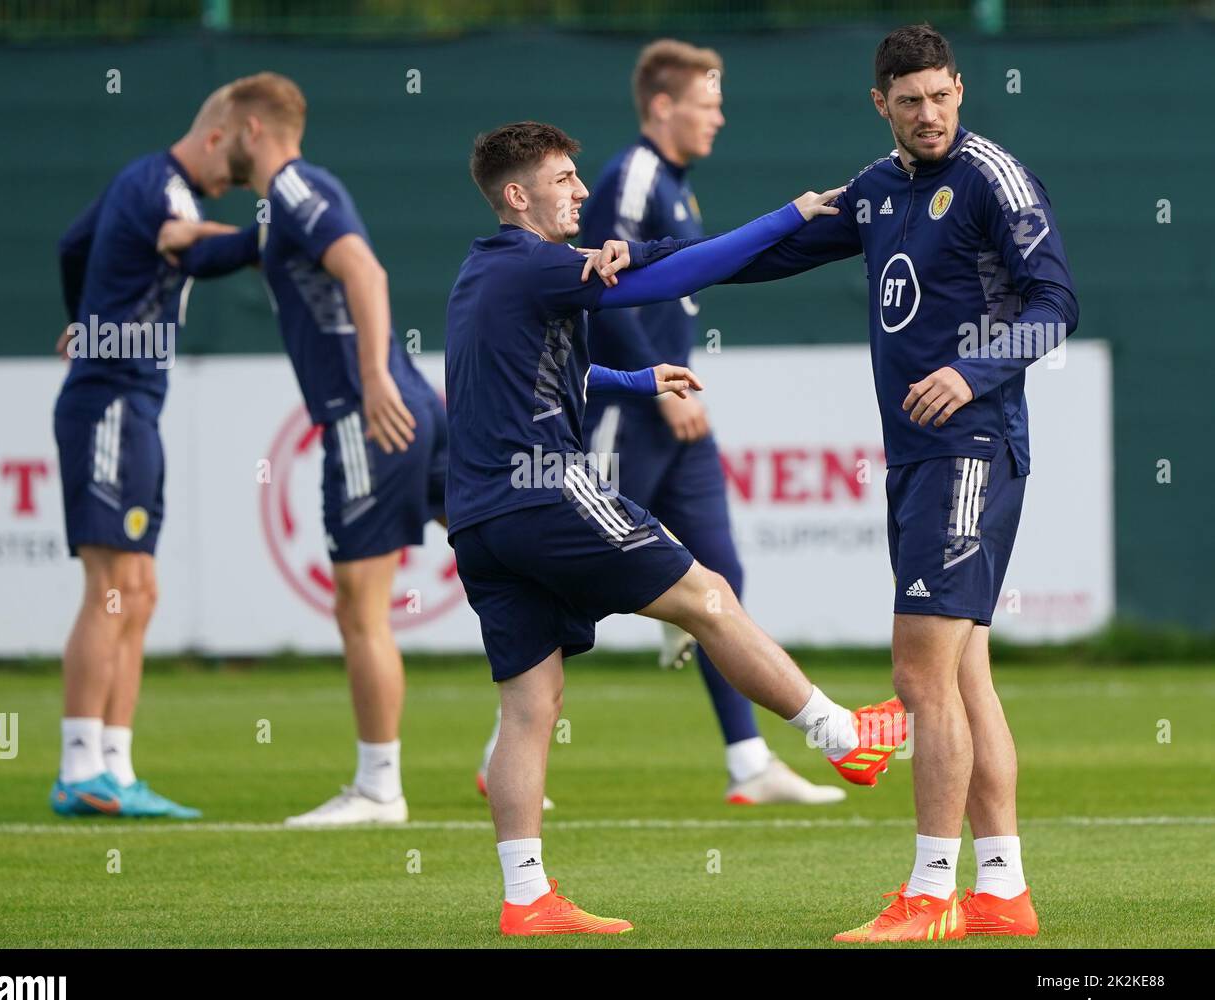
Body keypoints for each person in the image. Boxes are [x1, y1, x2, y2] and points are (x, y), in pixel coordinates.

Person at [445, 120, 906, 935]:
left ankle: (525, 898)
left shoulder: (485, 269)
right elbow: (679, 273)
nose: (580, 192)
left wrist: (635, 373)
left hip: (478, 518)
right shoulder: (538, 263)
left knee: (531, 703)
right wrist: (790, 216)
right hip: (544, 490)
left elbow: (546, 361)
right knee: (709, 595)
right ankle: (840, 734)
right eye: (561, 179)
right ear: (517, 195)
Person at [722, 24, 1078, 941]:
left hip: (972, 445)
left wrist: (972, 371)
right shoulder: (878, 190)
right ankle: (1001, 891)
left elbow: (1056, 303)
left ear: (961, 88)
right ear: (880, 104)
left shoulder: (992, 177)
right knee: (964, 681)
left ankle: (928, 895)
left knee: (919, 676)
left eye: (942, 95)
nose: (930, 115)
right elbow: (771, 255)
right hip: (920, 458)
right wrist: (645, 264)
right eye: (910, 100)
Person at [159, 72, 448, 826]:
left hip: (369, 417)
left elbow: (363, 267)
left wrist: (372, 376)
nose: (216, 148)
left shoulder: (291, 187)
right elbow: (259, 249)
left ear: (253, 129)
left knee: (360, 607)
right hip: (419, 406)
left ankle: (380, 787)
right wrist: (190, 238)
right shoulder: (283, 210)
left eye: (222, 129)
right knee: (508, 551)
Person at [578, 38, 843, 806]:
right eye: (708, 102)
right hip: (632, 412)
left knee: (722, 580)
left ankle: (749, 761)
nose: (720, 118)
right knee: (571, 578)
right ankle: (506, 750)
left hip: (679, 418)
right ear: (663, 106)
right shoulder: (632, 173)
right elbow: (602, 283)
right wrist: (657, 389)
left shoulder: (677, 185)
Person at [50, 85, 254, 819]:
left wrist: (83, 320)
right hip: (109, 401)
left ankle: (113, 765)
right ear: (212, 138)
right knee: (112, 586)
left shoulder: (135, 181)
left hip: (130, 402)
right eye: (230, 170)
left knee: (138, 591)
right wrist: (269, 238)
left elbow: (73, 244)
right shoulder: (163, 187)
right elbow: (182, 243)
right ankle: (79, 768)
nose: (230, 183)